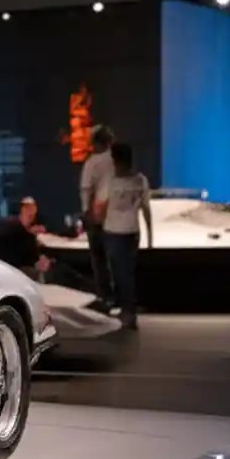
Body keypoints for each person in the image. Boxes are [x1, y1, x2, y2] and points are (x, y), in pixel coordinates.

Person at [93, 143, 152, 330]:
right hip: (133, 232)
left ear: (115, 160)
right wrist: (150, 236)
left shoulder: (109, 180)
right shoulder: (141, 180)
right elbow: (146, 209)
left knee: (119, 274)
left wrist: (98, 221)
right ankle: (128, 310)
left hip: (114, 232)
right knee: (127, 273)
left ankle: (128, 312)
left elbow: (99, 207)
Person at [80, 125, 116, 308]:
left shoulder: (92, 163)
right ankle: (120, 297)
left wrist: (86, 212)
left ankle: (105, 297)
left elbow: (87, 189)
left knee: (99, 258)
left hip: (97, 215)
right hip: (118, 215)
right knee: (116, 258)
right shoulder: (118, 160)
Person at [0, 197, 52, 279]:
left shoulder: (12, 224)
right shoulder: (18, 231)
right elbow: (32, 260)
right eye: (29, 211)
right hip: (4, 269)